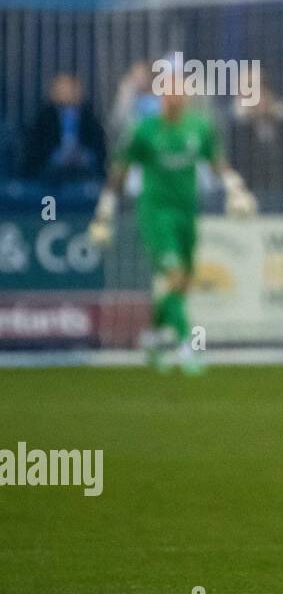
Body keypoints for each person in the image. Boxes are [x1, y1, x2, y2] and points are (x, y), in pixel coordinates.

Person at [88, 64, 257, 374]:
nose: (176, 96)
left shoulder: (199, 127)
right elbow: (120, 172)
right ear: (161, 96)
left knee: (182, 284)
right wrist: (105, 211)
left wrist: (236, 187)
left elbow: (216, 161)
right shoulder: (145, 130)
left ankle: (152, 336)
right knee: (175, 275)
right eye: (169, 91)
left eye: (180, 90)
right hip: (155, 211)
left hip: (186, 211)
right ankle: (187, 347)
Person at [22, 73, 106, 185]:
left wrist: (85, 156)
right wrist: (57, 156)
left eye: (73, 89)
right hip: (51, 168)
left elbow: (98, 144)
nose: (69, 93)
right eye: (65, 89)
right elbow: (35, 146)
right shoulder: (45, 117)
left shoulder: (89, 117)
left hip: (83, 166)